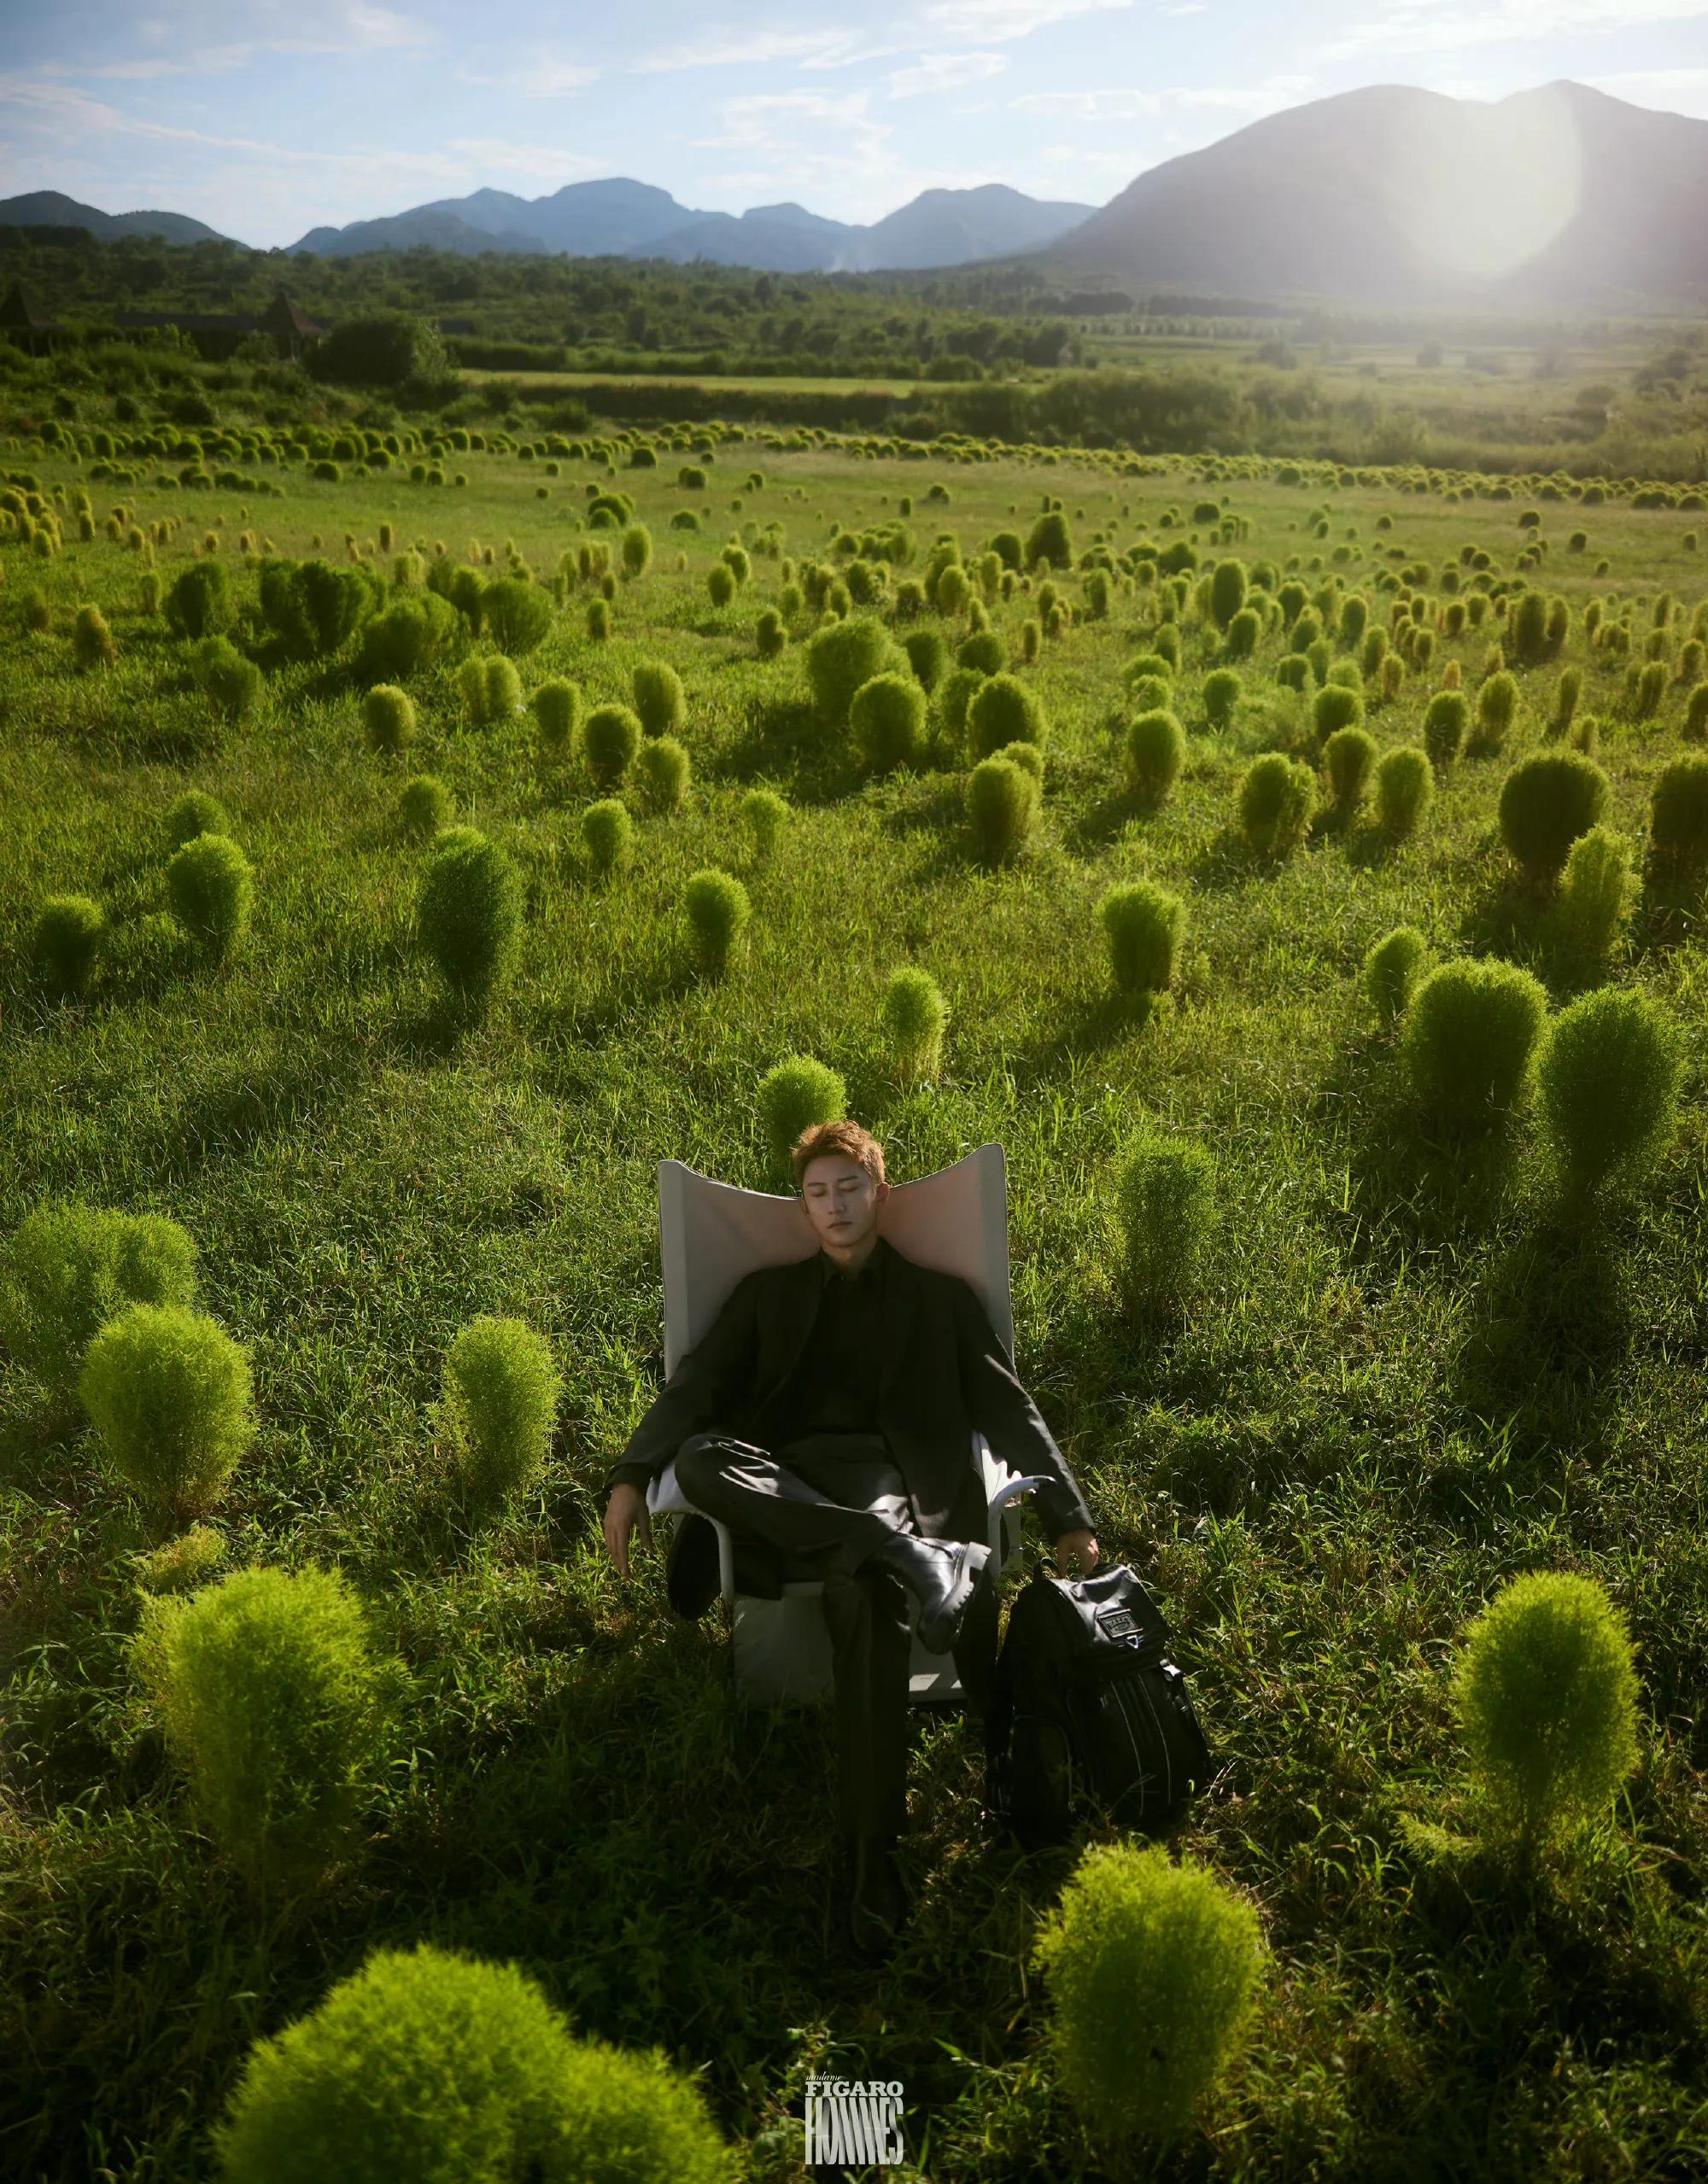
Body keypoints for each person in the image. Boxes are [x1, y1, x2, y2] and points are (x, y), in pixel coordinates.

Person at [601, 1118, 1100, 1959]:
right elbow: (696, 1390)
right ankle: (908, 1554)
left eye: (848, 1187)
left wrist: (1069, 1517)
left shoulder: (939, 1301)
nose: (833, 1206)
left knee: (864, 1591)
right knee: (701, 1456)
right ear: (802, 1205)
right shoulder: (766, 1296)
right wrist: (628, 1475)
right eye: (817, 1192)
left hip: (888, 1480)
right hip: (778, 1488)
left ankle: (871, 1857)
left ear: (880, 1192)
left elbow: (1005, 1405)